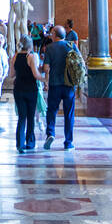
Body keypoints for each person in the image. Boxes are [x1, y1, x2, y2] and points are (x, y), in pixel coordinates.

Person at [43, 23, 75, 151]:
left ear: (55, 35)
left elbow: (46, 68)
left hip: (55, 84)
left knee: (51, 110)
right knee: (69, 114)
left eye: (52, 33)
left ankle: (50, 133)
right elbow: (80, 63)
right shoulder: (71, 46)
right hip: (69, 85)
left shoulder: (50, 48)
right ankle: (68, 142)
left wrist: (45, 81)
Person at [14, 35, 46, 153]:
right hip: (30, 89)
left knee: (22, 117)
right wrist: (46, 79)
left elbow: (11, 74)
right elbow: (36, 75)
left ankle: (20, 144)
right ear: (30, 45)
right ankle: (30, 142)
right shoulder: (31, 57)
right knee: (30, 117)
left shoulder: (15, 56)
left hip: (18, 89)